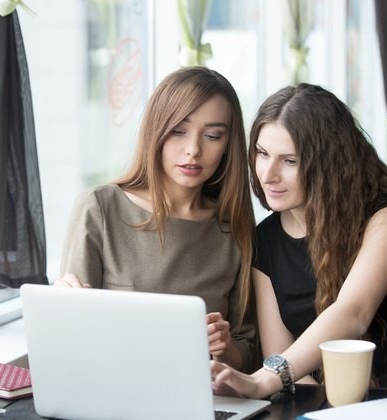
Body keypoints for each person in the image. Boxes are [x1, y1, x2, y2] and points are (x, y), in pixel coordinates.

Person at [211, 83, 387, 398]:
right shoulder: (264, 240)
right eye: (263, 154)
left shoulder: (386, 215)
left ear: (328, 163)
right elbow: (280, 352)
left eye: (290, 161)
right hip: (337, 402)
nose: (268, 174)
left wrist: (264, 380)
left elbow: (353, 312)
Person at [55, 67, 258, 372]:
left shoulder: (233, 230)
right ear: (156, 131)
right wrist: (61, 311)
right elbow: (71, 341)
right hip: (111, 393)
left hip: (203, 401)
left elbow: (251, 349)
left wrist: (224, 349)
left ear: (228, 145)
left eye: (213, 135)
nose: (193, 150)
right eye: (179, 130)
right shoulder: (99, 208)